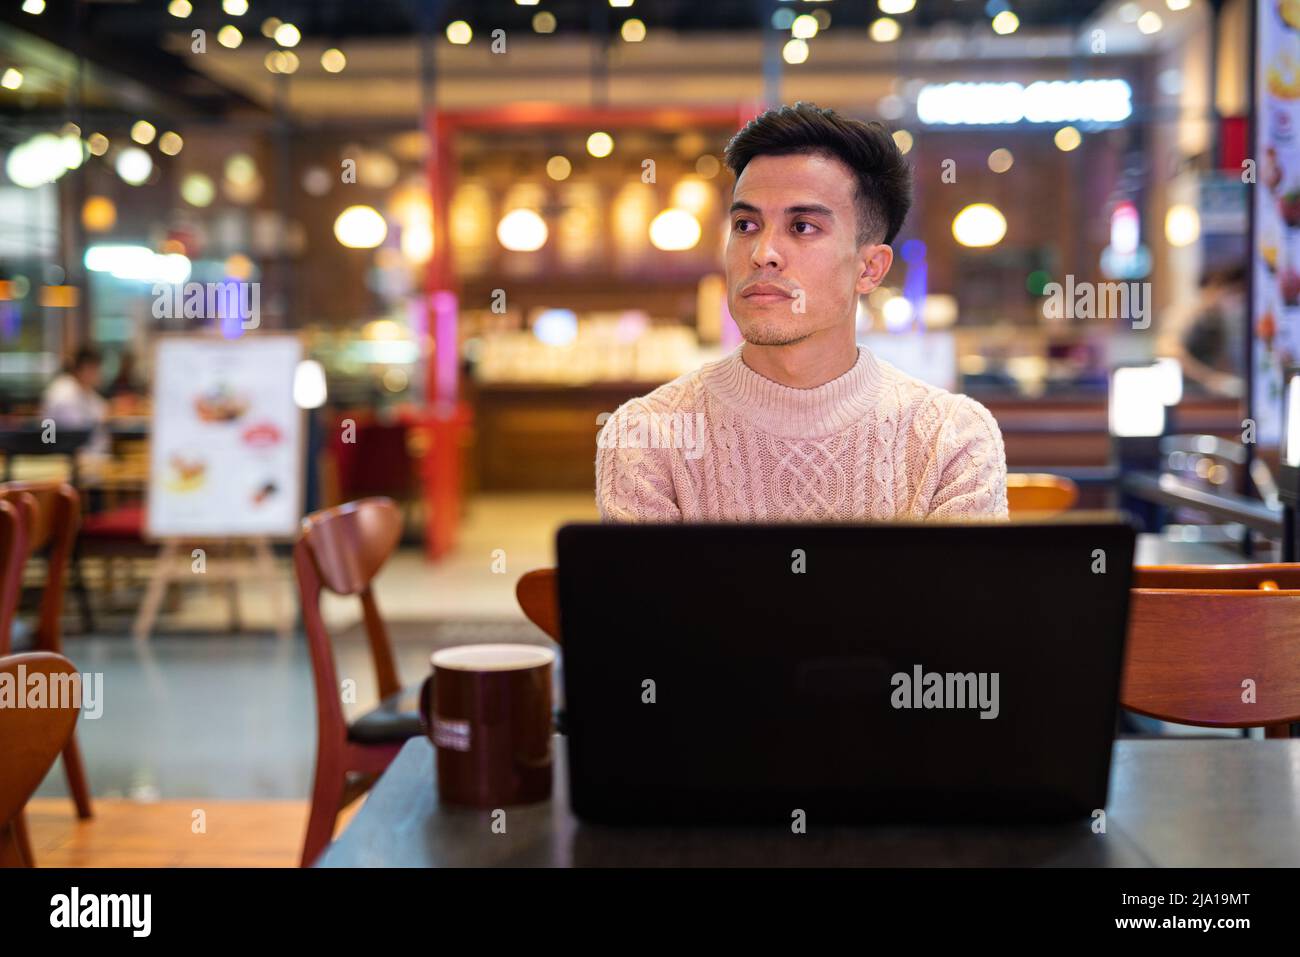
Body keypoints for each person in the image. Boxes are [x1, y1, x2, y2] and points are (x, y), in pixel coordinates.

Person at [595, 102, 1008, 521]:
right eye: (745, 226)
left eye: (803, 227)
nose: (763, 254)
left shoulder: (952, 437)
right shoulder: (649, 435)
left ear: (869, 269)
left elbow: (960, 589)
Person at [41, 345, 109, 453]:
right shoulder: (60, 392)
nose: (98, 375)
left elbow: (100, 438)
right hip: (62, 457)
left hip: (93, 458)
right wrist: (52, 453)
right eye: (94, 369)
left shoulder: (97, 401)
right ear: (82, 368)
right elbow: (47, 429)